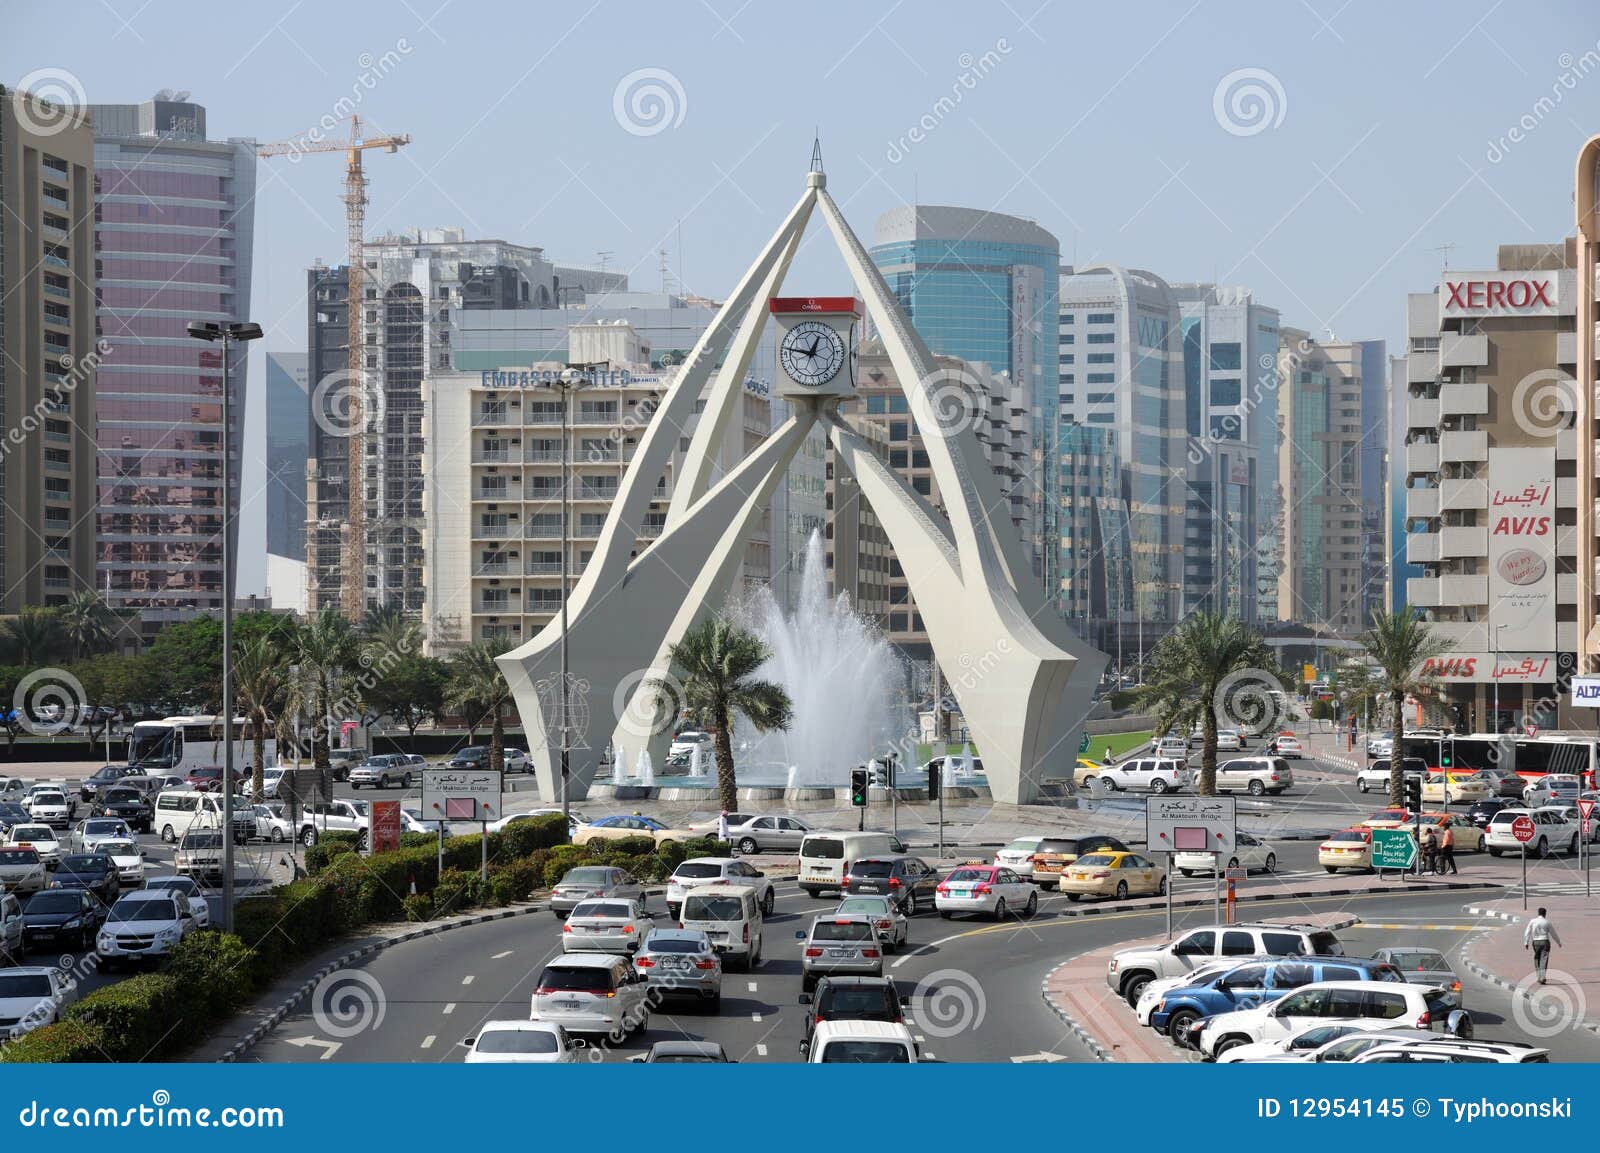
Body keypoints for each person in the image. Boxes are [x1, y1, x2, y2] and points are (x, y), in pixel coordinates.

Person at [1524, 906, 1562, 984]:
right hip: (1545, 942)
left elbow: (1527, 932)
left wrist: (1526, 942)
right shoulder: (1547, 922)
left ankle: (1539, 976)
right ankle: (1543, 977)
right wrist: (1558, 942)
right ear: (1545, 914)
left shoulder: (1532, 921)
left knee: (1537, 958)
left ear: (1538, 913)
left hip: (1536, 942)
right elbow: (1553, 934)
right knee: (1544, 959)